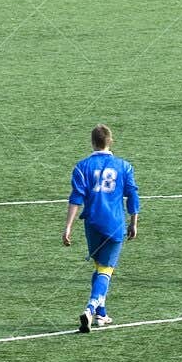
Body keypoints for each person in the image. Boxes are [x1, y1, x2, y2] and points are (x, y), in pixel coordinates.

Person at [62, 125, 140, 333]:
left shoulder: (81, 167)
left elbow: (76, 198)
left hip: (92, 225)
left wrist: (68, 227)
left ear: (92, 142)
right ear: (110, 141)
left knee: (99, 268)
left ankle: (101, 314)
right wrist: (134, 221)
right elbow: (132, 194)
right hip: (114, 224)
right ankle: (90, 309)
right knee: (106, 270)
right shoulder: (124, 166)